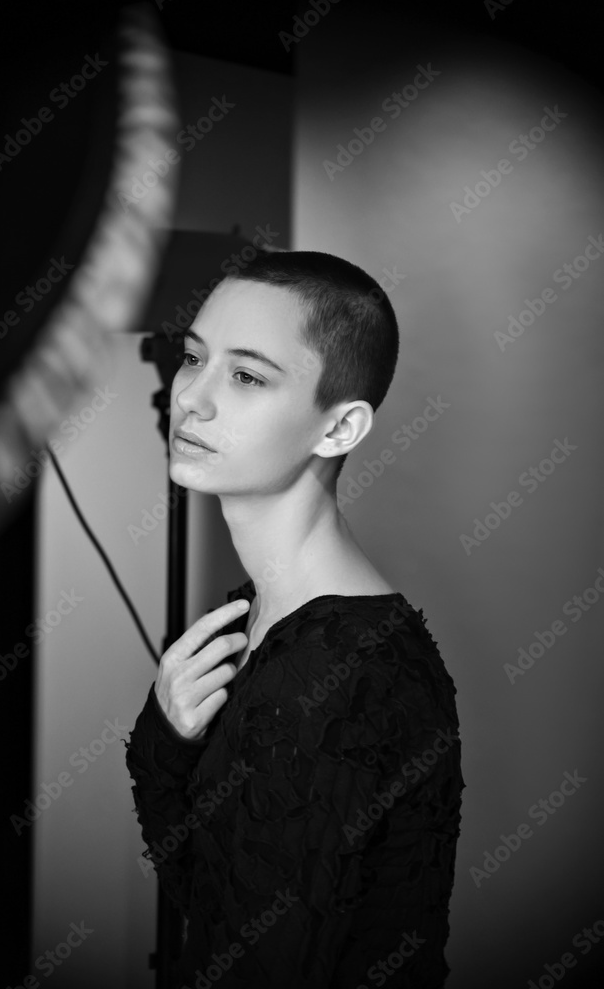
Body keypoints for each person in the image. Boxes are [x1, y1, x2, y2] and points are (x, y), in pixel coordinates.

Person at [124, 250, 464, 988]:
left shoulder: (331, 674)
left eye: (247, 376)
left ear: (338, 429)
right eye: (193, 358)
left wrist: (163, 752)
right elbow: (212, 900)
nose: (192, 399)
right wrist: (170, 740)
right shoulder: (256, 616)